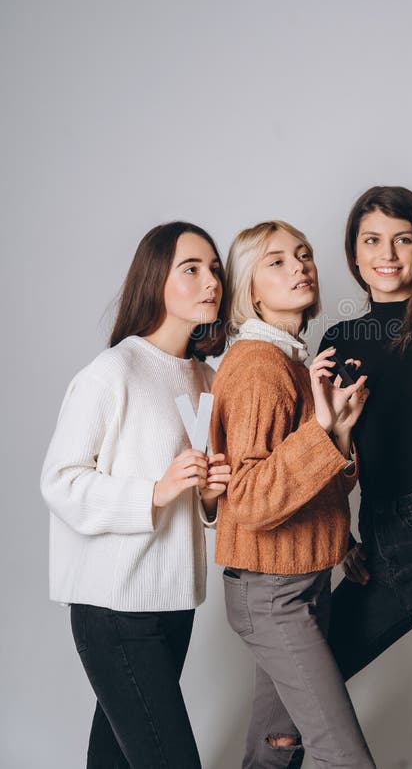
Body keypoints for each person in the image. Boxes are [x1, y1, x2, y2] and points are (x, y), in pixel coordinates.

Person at [260, 187, 412, 768]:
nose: (387, 253)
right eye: (372, 240)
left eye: (403, 239)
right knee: (292, 707)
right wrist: (344, 534)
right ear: (353, 254)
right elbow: (330, 451)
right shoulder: (342, 340)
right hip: (380, 548)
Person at [40, 221, 231, 769]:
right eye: (190, 269)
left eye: (214, 269)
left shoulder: (207, 379)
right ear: (155, 281)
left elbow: (199, 503)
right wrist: (156, 489)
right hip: (113, 607)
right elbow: (61, 480)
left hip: (174, 602)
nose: (210, 281)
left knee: (116, 759)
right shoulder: (113, 371)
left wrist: (209, 498)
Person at [210, 220, 376, 768]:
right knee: (343, 756)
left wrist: (340, 433)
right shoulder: (260, 367)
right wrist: (320, 434)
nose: (299, 265)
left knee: (275, 750)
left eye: (303, 255)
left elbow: (307, 481)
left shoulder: (291, 362)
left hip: (299, 584)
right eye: (276, 261)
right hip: (273, 595)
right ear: (249, 291)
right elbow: (253, 499)